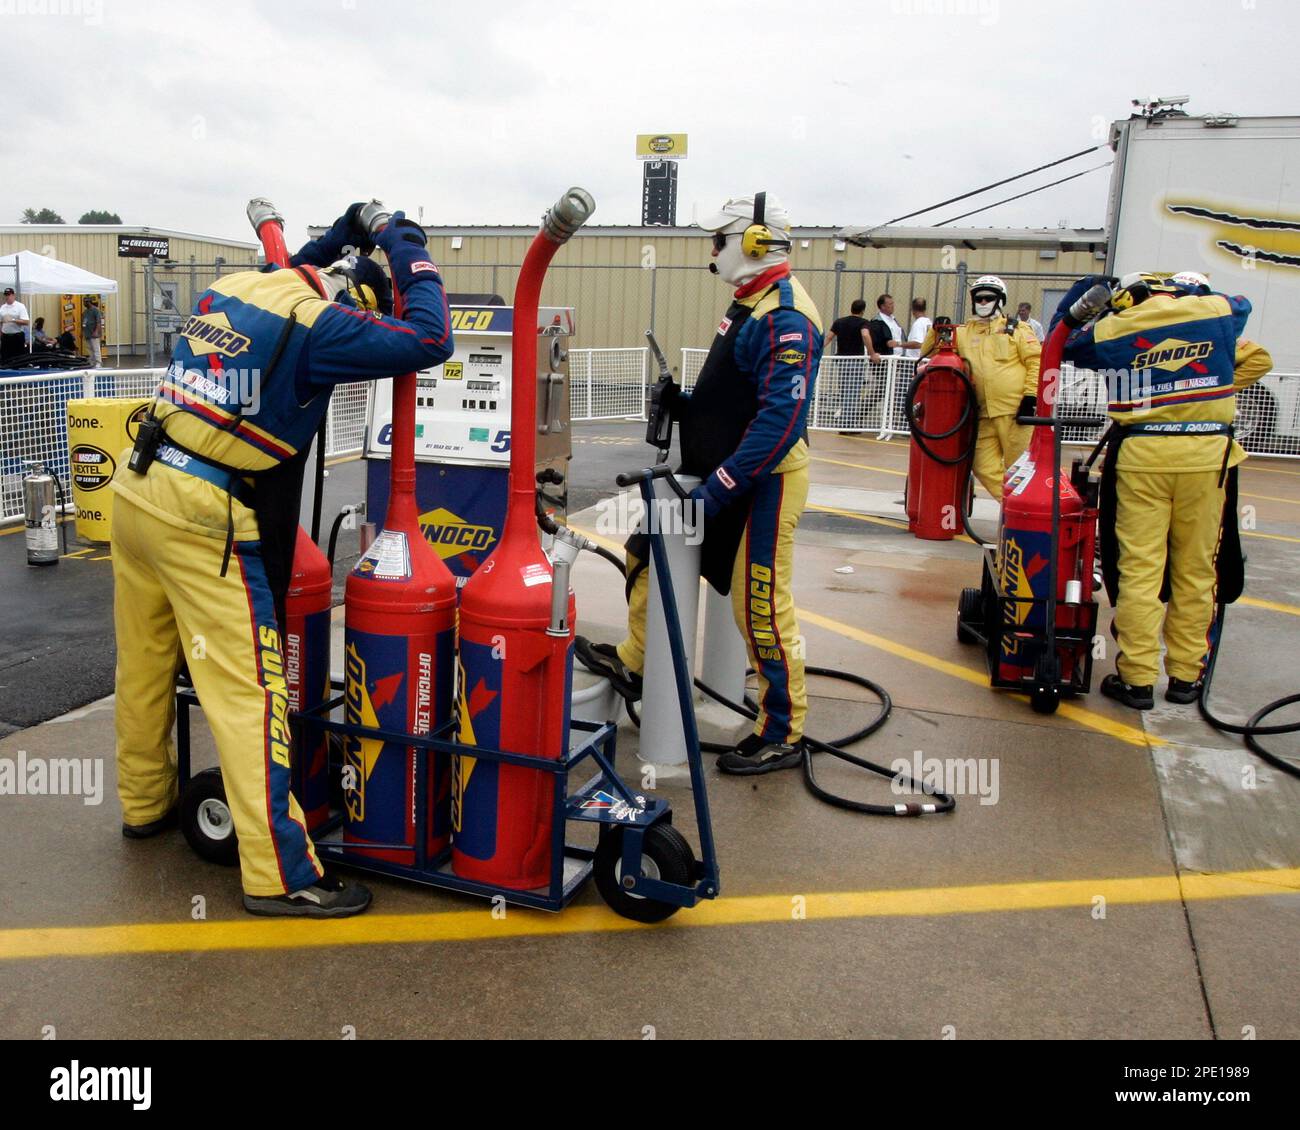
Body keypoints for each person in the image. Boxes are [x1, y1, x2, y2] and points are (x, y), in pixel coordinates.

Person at [109, 203, 453, 916]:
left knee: (143, 663)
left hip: (136, 487)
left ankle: (144, 806)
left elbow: (302, 256)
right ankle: (280, 875)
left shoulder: (250, 285)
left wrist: (347, 228)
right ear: (354, 310)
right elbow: (429, 339)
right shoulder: (323, 328)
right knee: (252, 694)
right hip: (203, 511)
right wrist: (407, 244)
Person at [576, 191, 822, 774]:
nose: (712, 249)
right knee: (645, 551)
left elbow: (779, 421)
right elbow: (735, 395)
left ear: (754, 243)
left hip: (763, 484)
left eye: (719, 239)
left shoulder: (784, 314)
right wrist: (686, 405)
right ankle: (637, 662)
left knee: (758, 607)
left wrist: (718, 491)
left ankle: (783, 730)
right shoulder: (751, 301)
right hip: (727, 479)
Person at [1054, 271, 1271, 710]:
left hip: (1142, 456)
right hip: (1208, 459)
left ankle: (1136, 681)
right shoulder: (1215, 309)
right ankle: (1186, 679)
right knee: (1196, 570)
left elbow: (1065, 339)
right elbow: (1243, 309)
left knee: (1139, 570)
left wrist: (1086, 293)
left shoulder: (1116, 326)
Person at [920, 274, 1041, 498]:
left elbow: (1036, 361)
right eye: (979, 298)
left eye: (988, 298)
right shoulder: (963, 332)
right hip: (982, 415)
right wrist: (936, 330)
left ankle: (1025, 514)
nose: (983, 302)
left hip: (1016, 413)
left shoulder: (1017, 329)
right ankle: (1013, 506)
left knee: (1021, 468)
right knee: (982, 465)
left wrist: (1031, 397)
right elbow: (930, 352)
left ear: (1000, 300)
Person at [826, 297, 871, 433]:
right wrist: (872, 352)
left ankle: (846, 422)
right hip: (855, 361)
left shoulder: (839, 322)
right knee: (854, 393)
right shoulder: (863, 323)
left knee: (845, 391)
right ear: (863, 310)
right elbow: (865, 335)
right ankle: (848, 424)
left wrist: (817, 350)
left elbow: (829, 337)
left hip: (842, 361)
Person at [0, 287, 30, 362]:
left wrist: (13, 320)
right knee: (5, 358)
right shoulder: (2, 307)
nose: (7, 297)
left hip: (17, 336)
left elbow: (26, 322)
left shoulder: (20, 306)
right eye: (6, 295)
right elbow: (1, 322)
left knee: (18, 359)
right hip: (6, 336)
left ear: (13, 295)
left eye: (9, 295)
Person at [82, 295, 104, 367]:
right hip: (87, 333)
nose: (84, 303)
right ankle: (92, 362)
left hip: (94, 333)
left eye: (85, 302)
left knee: (96, 348)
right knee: (90, 349)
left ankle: (98, 362)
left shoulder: (95, 310)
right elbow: (84, 322)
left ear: (89, 302)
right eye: (83, 302)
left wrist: (96, 331)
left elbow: (98, 322)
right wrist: (82, 331)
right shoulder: (85, 312)